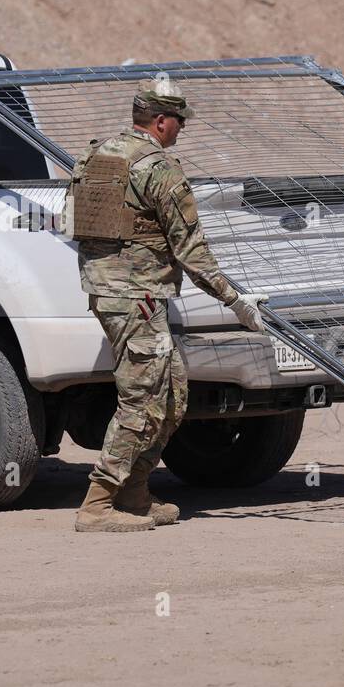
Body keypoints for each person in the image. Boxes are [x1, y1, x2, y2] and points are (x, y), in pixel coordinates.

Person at [68, 78, 268, 531]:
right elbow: (190, 250)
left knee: (174, 395)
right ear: (161, 121)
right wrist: (236, 301)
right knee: (142, 399)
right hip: (136, 297)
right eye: (178, 122)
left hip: (113, 293)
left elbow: (77, 223)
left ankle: (135, 494)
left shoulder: (96, 155)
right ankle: (97, 505)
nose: (181, 131)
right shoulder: (160, 168)